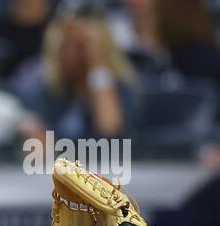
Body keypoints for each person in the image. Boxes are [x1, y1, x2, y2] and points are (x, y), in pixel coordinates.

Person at [20, 10, 138, 141]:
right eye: (65, 45)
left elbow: (109, 129)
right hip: (60, 159)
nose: (71, 54)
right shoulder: (47, 90)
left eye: (80, 46)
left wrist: (97, 65)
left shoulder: (121, 89)